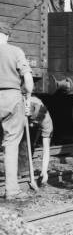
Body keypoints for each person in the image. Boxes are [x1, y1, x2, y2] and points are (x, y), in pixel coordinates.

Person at [0, 23, 33, 199]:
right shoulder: (15, 51)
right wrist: (28, 98)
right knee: (11, 143)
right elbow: (27, 78)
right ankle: (11, 190)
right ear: (6, 36)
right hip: (12, 97)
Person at [18, 96, 53, 185]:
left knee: (31, 141)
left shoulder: (47, 122)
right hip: (19, 113)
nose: (32, 125)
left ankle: (25, 171)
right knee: (22, 142)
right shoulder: (20, 107)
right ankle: (21, 171)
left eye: (35, 123)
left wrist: (44, 171)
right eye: (32, 122)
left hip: (28, 119)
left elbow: (46, 149)